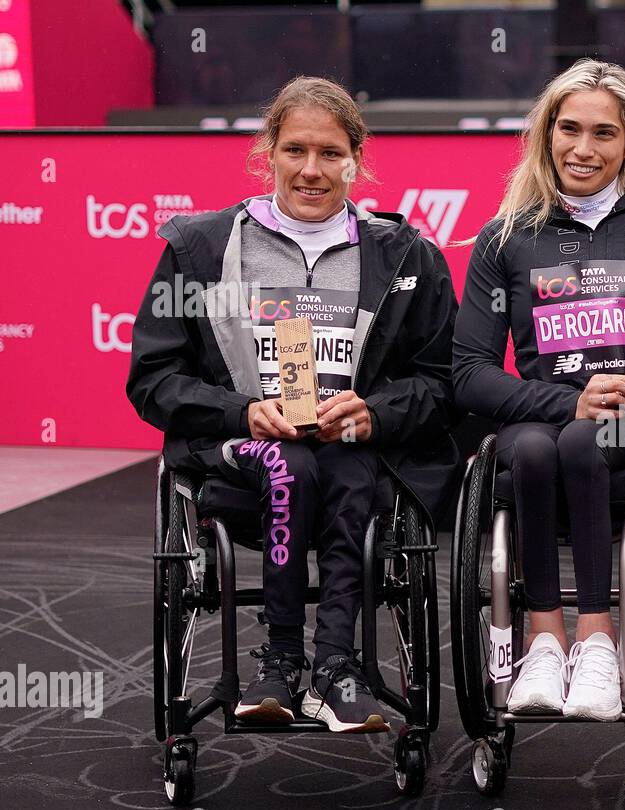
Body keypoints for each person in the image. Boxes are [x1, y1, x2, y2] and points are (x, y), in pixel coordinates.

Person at [126, 76, 459, 733]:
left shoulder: (405, 256)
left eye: (331, 153)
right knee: (291, 466)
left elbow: (442, 380)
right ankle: (280, 657)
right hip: (240, 454)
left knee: (340, 465)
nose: (312, 169)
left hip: (353, 453)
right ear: (268, 151)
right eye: (296, 150)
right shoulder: (199, 250)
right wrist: (242, 411)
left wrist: (375, 413)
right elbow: (153, 379)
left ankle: (336, 668)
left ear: (356, 160)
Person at [452, 59, 625, 721]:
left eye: (603, 134)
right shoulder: (506, 239)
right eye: (569, 129)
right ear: (546, 136)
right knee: (529, 449)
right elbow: (468, 372)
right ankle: (544, 641)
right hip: (542, 423)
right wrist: (568, 399)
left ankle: (600, 642)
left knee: (583, 440)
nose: (584, 148)